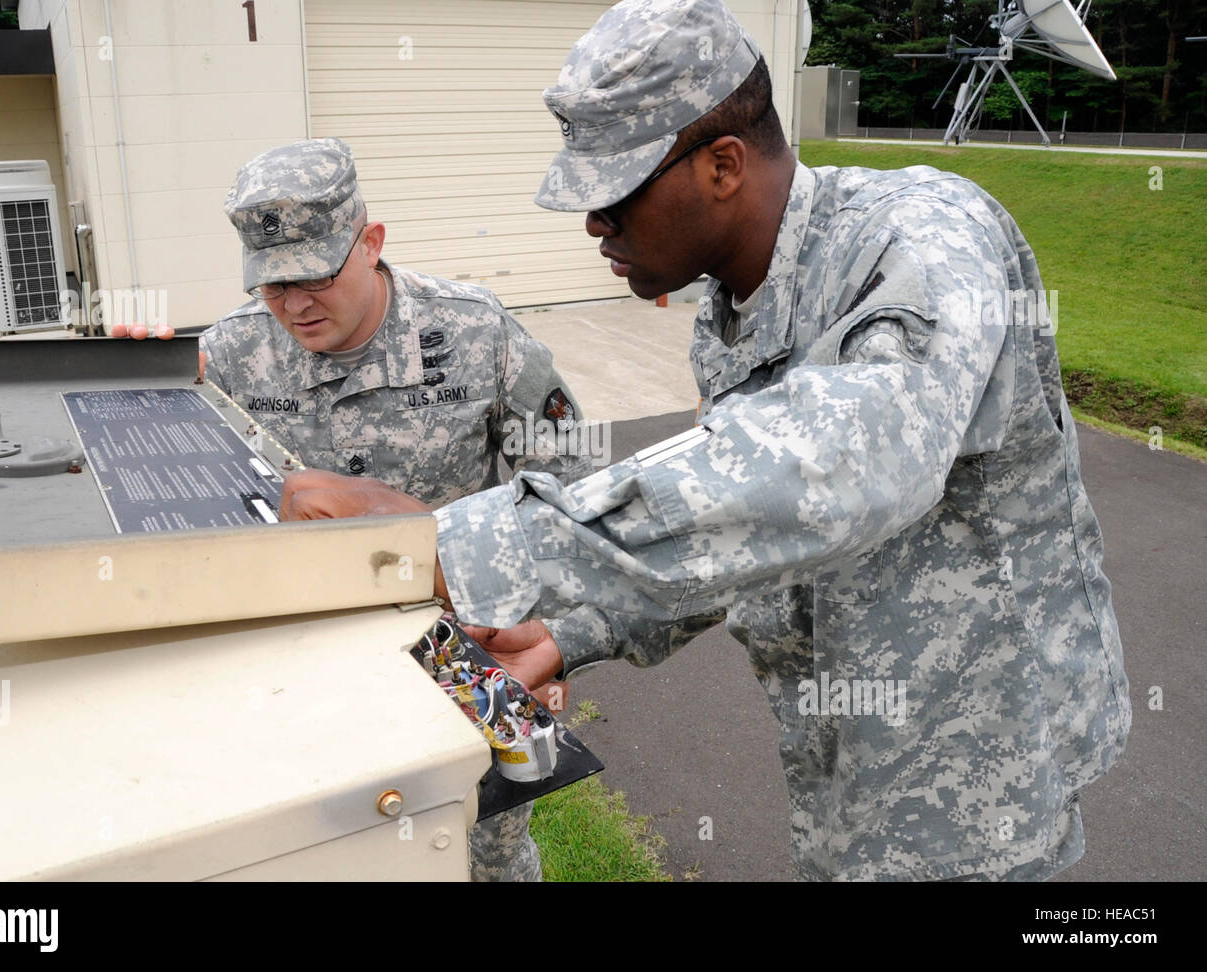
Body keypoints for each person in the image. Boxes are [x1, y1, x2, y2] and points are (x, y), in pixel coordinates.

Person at [277, 0, 1131, 881]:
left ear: (723, 164)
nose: (592, 227)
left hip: (973, 761)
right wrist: (581, 624)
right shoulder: (731, 311)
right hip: (845, 747)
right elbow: (750, 525)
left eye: (612, 199)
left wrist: (458, 544)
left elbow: (846, 462)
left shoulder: (924, 233)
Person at [202, 137, 594, 882]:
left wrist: (561, 633)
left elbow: (574, 496)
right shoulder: (228, 357)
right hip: (315, 668)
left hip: (470, 651)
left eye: (314, 275)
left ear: (371, 241)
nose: (294, 304)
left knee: (492, 851)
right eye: (272, 285)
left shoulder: (476, 331)